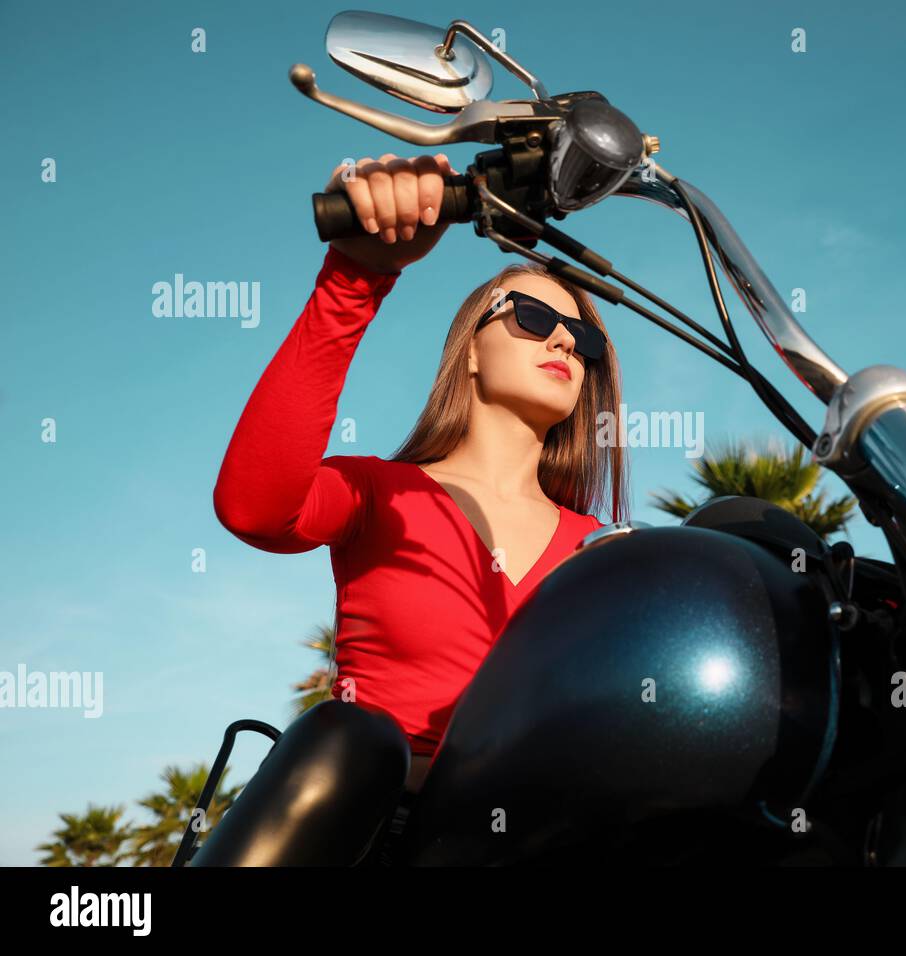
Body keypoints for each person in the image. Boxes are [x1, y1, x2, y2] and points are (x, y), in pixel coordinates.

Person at [212, 153, 630, 804]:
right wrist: (356, 277)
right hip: (374, 831)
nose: (565, 344)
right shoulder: (379, 492)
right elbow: (254, 508)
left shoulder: (601, 552)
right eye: (533, 319)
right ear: (469, 351)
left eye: (584, 338)